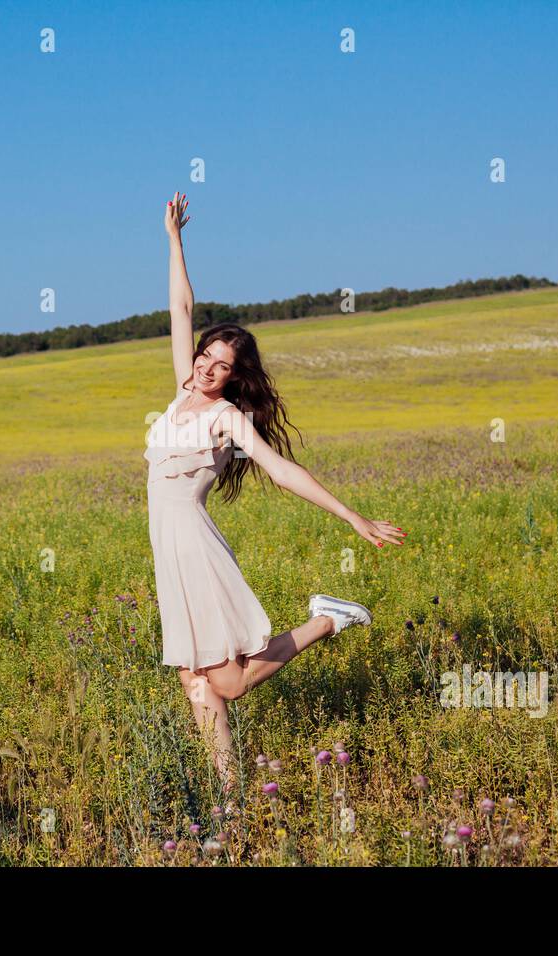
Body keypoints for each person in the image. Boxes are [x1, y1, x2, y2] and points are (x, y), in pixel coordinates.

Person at [145, 191, 406, 793]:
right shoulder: (182, 385)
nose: (207, 368)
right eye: (206, 356)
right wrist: (174, 239)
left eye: (221, 365)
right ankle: (229, 800)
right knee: (195, 681)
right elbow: (181, 307)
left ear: (236, 377)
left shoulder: (226, 418)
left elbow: (282, 469)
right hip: (165, 552)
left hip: (194, 548)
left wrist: (351, 515)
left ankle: (325, 621)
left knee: (229, 681)